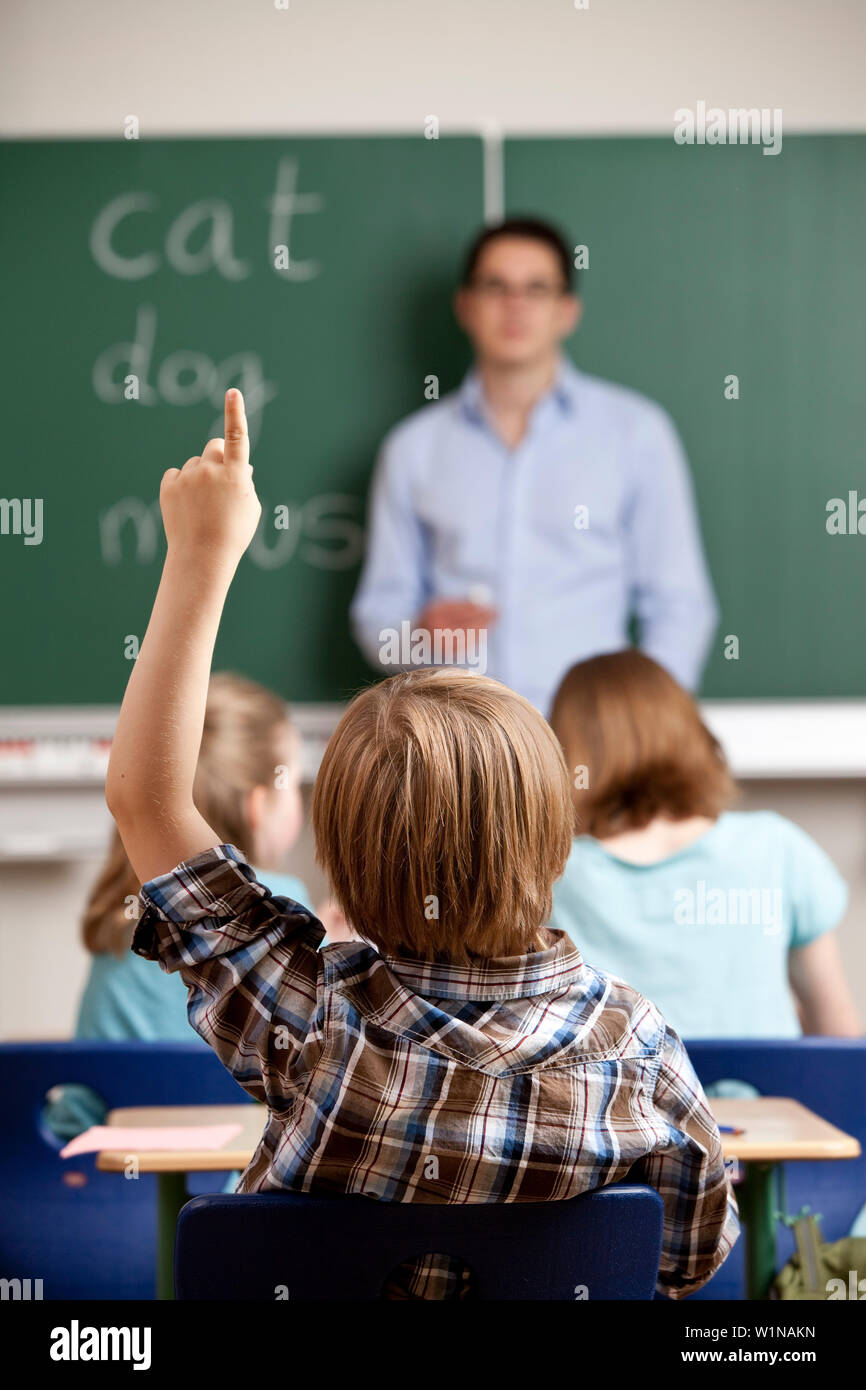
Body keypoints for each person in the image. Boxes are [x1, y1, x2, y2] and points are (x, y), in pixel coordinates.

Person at [105, 387, 738, 1301]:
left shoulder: (313, 1022)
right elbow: (681, 1259)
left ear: (344, 876)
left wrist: (200, 558)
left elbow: (147, 801)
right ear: (558, 847)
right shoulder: (633, 1052)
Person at [350, 217, 718, 715]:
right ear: (465, 306)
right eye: (495, 286)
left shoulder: (636, 433)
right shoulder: (412, 448)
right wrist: (417, 637)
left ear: (567, 311)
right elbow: (376, 615)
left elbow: (679, 608)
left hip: (593, 739)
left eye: (536, 288)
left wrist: (640, 722)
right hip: (462, 748)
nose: (515, 304)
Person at [44, 671, 312, 1140]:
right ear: (258, 804)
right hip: (231, 1192)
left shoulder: (124, 911)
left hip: (97, 1188)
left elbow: (75, 1114)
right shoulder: (288, 902)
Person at [547, 650, 862, 1040]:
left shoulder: (548, 870)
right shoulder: (775, 847)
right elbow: (835, 1028)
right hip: (758, 1099)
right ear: (689, 732)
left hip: (614, 1100)